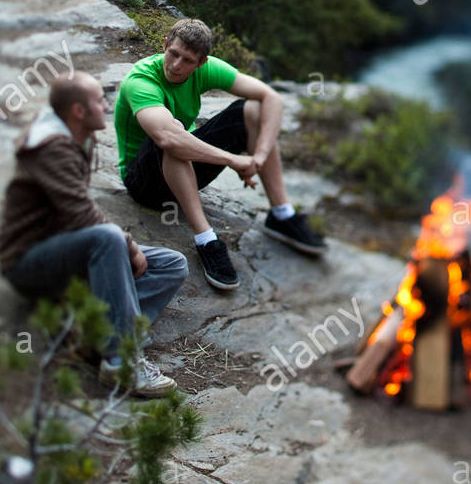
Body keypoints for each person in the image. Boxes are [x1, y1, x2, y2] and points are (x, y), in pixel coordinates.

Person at [0, 72, 186, 397]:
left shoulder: (77, 133)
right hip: (28, 261)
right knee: (109, 238)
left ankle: (93, 333)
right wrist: (129, 247)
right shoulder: (50, 148)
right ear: (78, 112)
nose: (106, 104)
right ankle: (120, 362)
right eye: (99, 100)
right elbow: (81, 216)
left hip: (68, 247)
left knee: (173, 264)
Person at [113, 18, 327, 291]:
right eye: (173, 54)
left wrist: (257, 158)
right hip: (144, 183)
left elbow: (272, 98)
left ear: (201, 63)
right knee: (173, 135)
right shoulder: (140, 79)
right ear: (164, 44)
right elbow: (168, 138)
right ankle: (206, 240)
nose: (177, 65)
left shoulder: (207, 69)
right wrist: (234, 160)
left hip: (185, 173)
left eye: (188, 60)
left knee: (252, 110)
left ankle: (281, 214)